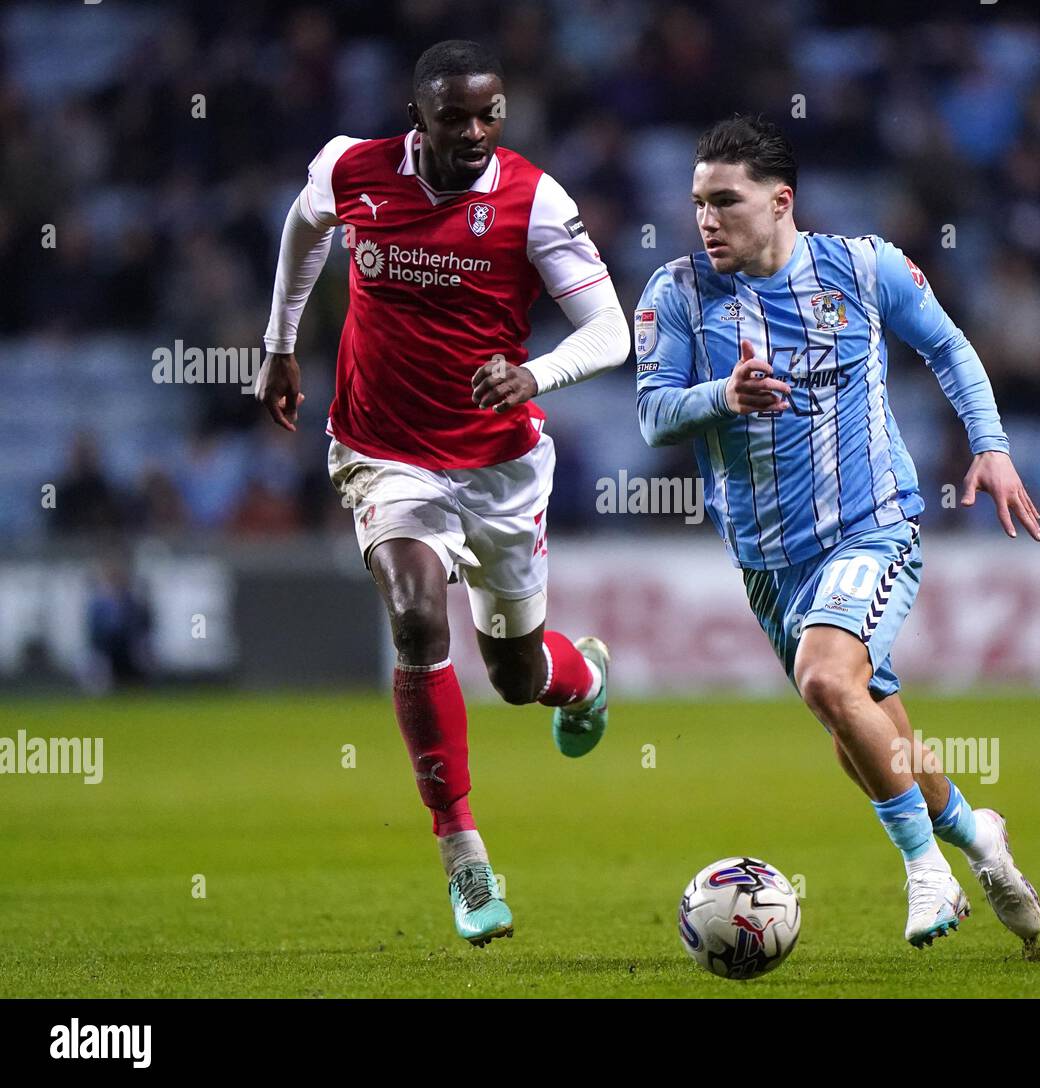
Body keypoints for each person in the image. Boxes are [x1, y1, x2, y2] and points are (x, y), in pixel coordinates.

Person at [635, 115, 1040, 950]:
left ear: (781, 201)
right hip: (768, 562)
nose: (707, 220)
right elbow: (652, 417)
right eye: (697, 203)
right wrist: (724, 396)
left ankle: (925, 869)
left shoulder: (863, 268)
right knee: (857, 728)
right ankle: (979, 838)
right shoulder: (674, 294)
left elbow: (951, 347)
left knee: (828, 681)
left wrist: (992, 449)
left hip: (872, 528)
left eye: (726, 201)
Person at [257, 40, 630, 947]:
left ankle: (581, 681)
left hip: (497, 466)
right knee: (417, 619)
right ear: (417, 112)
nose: (474, 132)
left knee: (514, 676)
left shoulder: (534, 200)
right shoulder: (352, 168)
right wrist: (279, 342)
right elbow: (303, 229)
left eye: (490, 115)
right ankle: (464, 856)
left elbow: (612, 330)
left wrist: (534, 376)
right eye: (455, 116)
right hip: (385, 451)